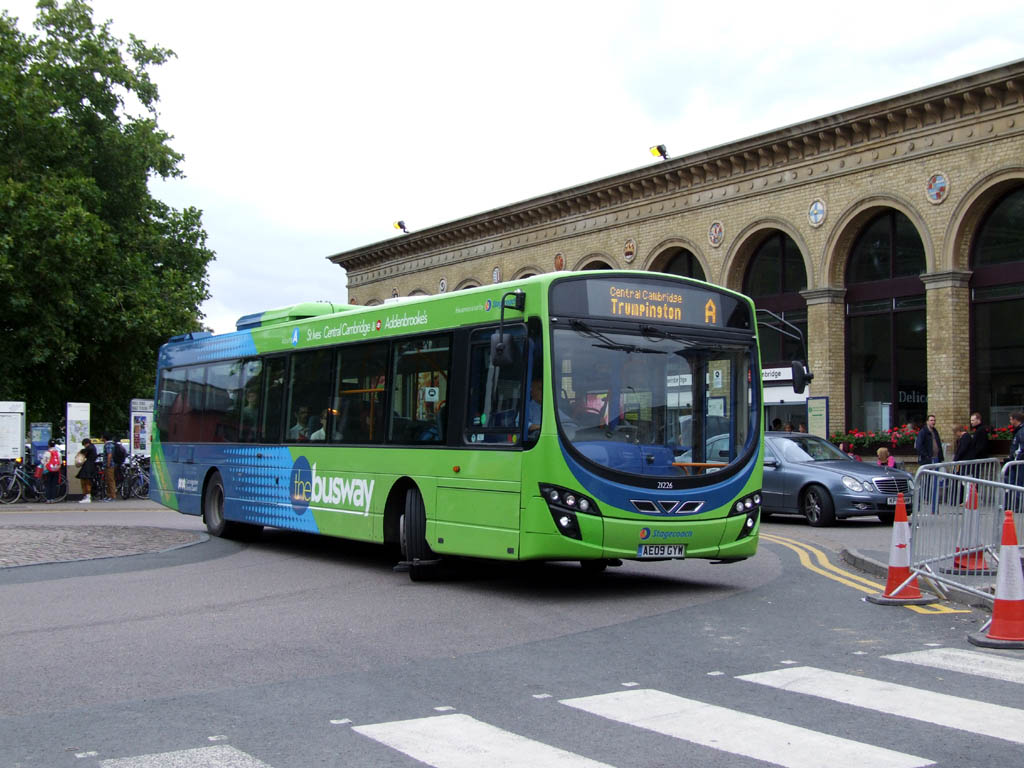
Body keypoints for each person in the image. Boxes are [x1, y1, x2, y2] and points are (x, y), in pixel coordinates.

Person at [76, 438, 98, 503]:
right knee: (85, 480)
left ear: (86, 443)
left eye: (84, 445)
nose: (84, 446)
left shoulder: (90, 447)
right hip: (89, 465)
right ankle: (86, 495)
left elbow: (85, 450)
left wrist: (80, 452)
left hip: (89, 466)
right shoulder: (92, 447)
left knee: (86, 480)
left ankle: (87, 496)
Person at [1007, 411, 1024, 485]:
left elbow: (1021, 448)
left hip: (1018, 463)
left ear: (1015, 420)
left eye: (1011, 419)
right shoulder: (1018, 431)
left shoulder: (1021, 432)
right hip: (1017, 462)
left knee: (1017, 484)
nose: (1010, 421)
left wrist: (1014, 459)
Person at [43, 439, 61, 503]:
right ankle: (53, 499)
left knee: (48, 485)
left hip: (48, 470)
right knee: (53, 485)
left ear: (48, 445)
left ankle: (48, 499)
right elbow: (60, 462)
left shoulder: (47, 453)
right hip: (56, 470)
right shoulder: (58, 453)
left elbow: (43, 461)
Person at [102, 434, 117, 502]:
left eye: (102, 437)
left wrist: (108, 464)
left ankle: (112, 496)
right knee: (108, 480)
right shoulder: (109, 444)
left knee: (110, 481)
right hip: (108, 465)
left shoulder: (108, 445)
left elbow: (109, 454)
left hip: (109, 465)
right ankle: (108, 496)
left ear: (104, 438)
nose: (101, 438)